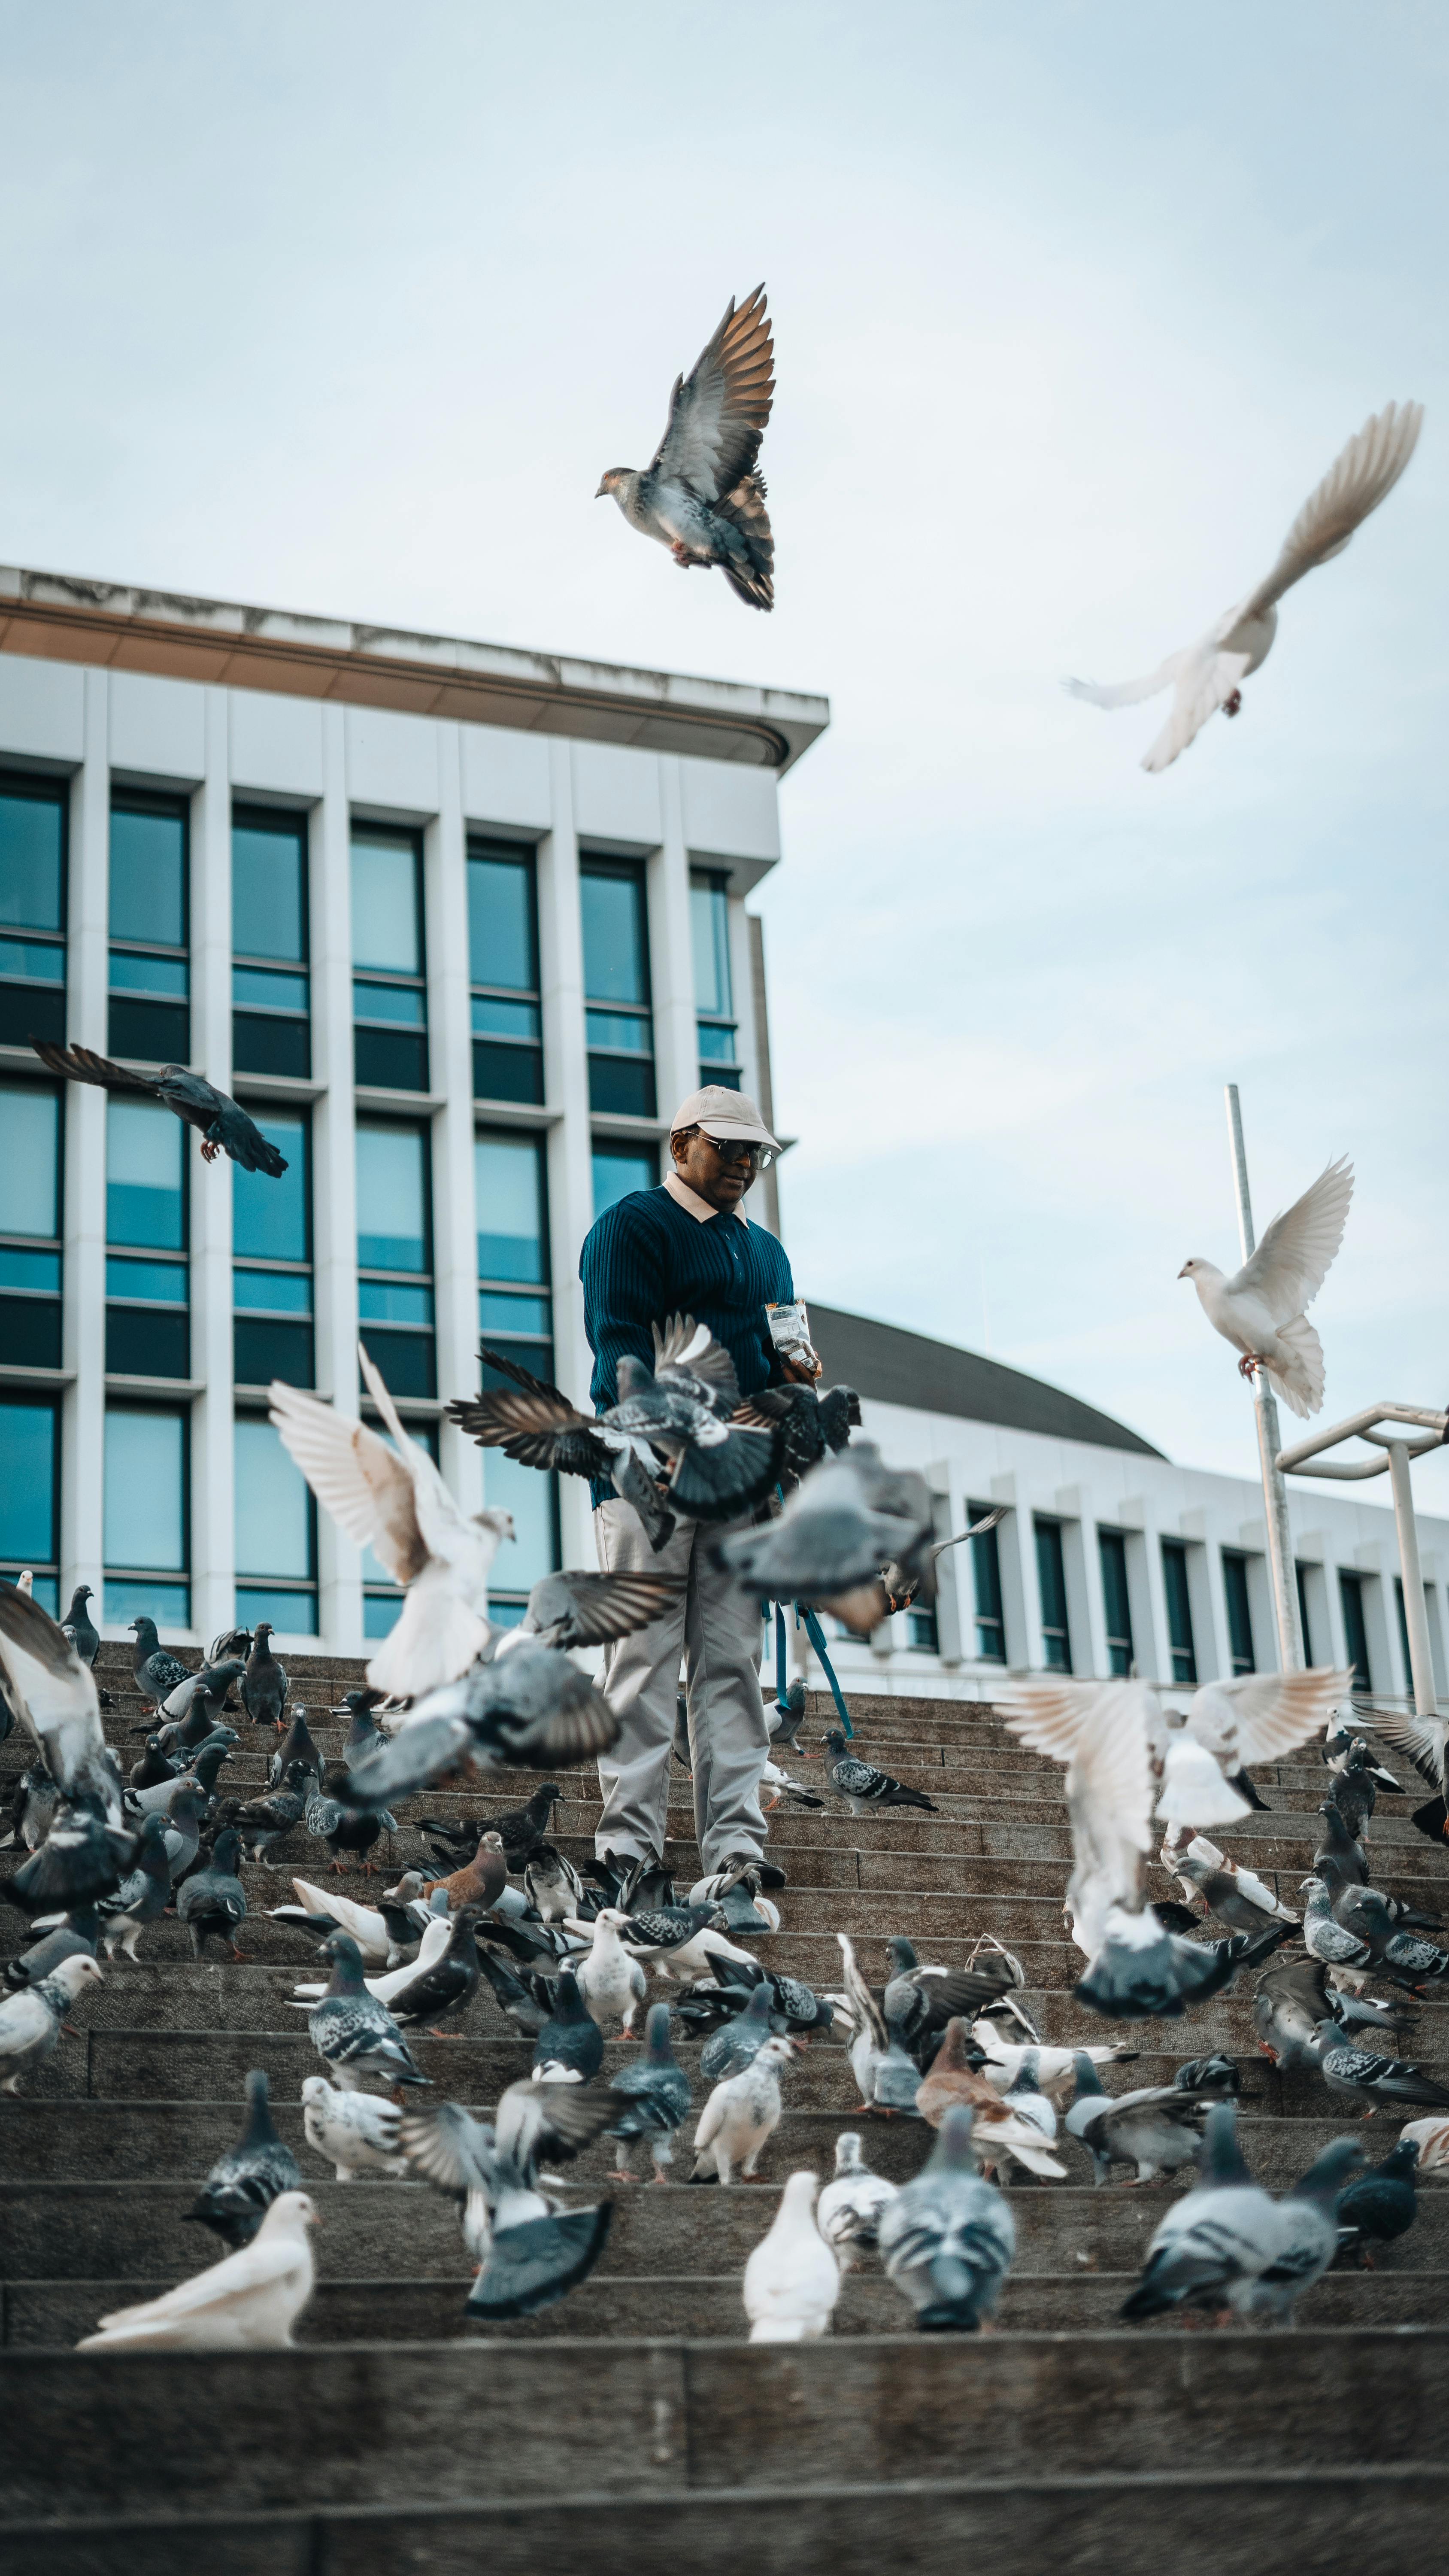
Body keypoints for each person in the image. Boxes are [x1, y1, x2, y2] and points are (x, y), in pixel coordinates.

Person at [579, 1084, 813, 1889]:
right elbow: (618, 1351)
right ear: (681, 1145)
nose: (745, 1162)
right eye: (729, 1146)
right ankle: (627, 1853)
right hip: (652, 1479)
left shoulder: (769, 1253)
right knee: (641, 1667)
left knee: (733, 1674)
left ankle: (737, 1851)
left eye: (756, 1150)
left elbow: (791, 1363)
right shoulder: (632, 1227)